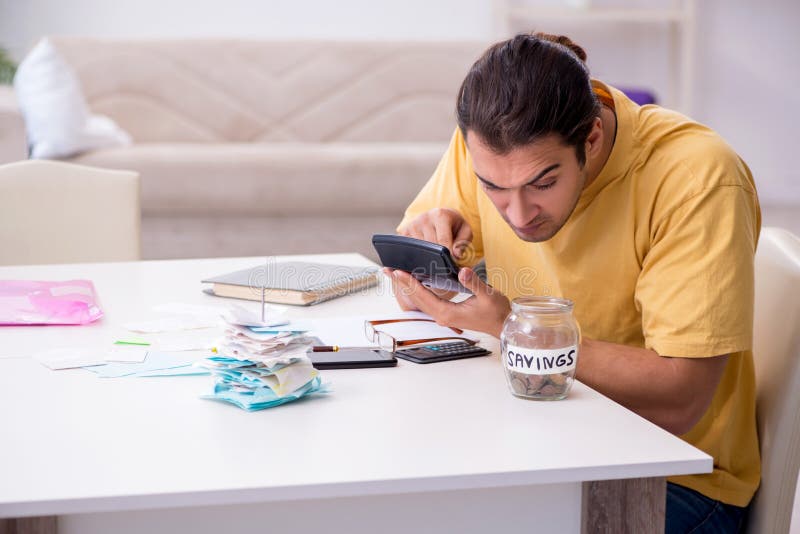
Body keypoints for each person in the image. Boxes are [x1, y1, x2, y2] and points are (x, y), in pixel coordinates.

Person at [386, 33, 760, 533]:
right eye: (493, 189)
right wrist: (419, 256)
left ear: (592, 138)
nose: (517, 214)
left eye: (542, 184)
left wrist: (514, 331)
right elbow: (404, 288)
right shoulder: (490, 145)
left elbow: (682, 394)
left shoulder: (697, 178)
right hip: (537, 439)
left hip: (673, 475)